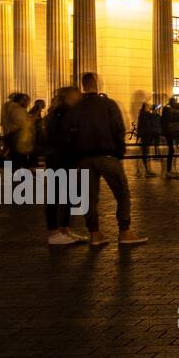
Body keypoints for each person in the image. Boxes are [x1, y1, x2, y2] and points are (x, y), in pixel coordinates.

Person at [66, 72, 146, 246]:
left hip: (84, 158)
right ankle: (124, 232)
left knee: (89, 197)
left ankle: (95, 234)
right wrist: (119, 151)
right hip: (107, 155)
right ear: (97, 83)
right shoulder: (108, 104)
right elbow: (118, 129)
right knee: (122, 193)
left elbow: (70, 134)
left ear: (83, 85)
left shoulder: (76, 108)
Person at [41, 88, 83, 246]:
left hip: (60, 157)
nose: (80, 97)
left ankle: (64, 229)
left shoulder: (60, 112)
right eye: (77, 95)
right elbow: (64, 136)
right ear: (69, 96)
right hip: (61, 158)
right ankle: (54, 232)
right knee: (57, 195)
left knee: (64, 195)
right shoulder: (62, 112)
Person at [2, 93, 35, 165]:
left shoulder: (8, 108)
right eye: (27, 101)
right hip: (18, 136)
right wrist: (31, 120)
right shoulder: (17, 109)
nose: (28, 103)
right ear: (22, 100)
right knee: (19, 158)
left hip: (11, 134)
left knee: (15, 156)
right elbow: (23, 122)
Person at [137, 100, 162, 177]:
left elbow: (139, 126)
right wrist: (155, 109)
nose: (149, 108)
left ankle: (143, 170)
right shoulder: (146, 115)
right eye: (148, 106)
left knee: (144, 153)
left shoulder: (142, 114)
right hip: (146, 136)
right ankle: (147, 171)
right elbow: (157, 116)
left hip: (144, 136)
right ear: (145, 107)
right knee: (145, 153)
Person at [161, 97, 179, 179]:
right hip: (171, 133)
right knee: (171, 151)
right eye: (174, 102)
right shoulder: (169, 110)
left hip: (174, 133)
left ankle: (170, 170)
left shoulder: (169, 110)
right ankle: (168, 171)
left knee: (173, 151)